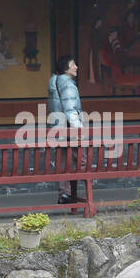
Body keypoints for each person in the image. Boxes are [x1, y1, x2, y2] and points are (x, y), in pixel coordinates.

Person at [48, 55, 85, 203]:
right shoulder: (67, 84)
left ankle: (65, 193)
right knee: (81, 160)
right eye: (73, 64)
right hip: (70, 128)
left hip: (59, 127)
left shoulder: (54, 82)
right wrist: (80, 129)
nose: (76, 67)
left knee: (64, 160)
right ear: (65, 68)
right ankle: (75, 189)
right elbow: (70, 109)